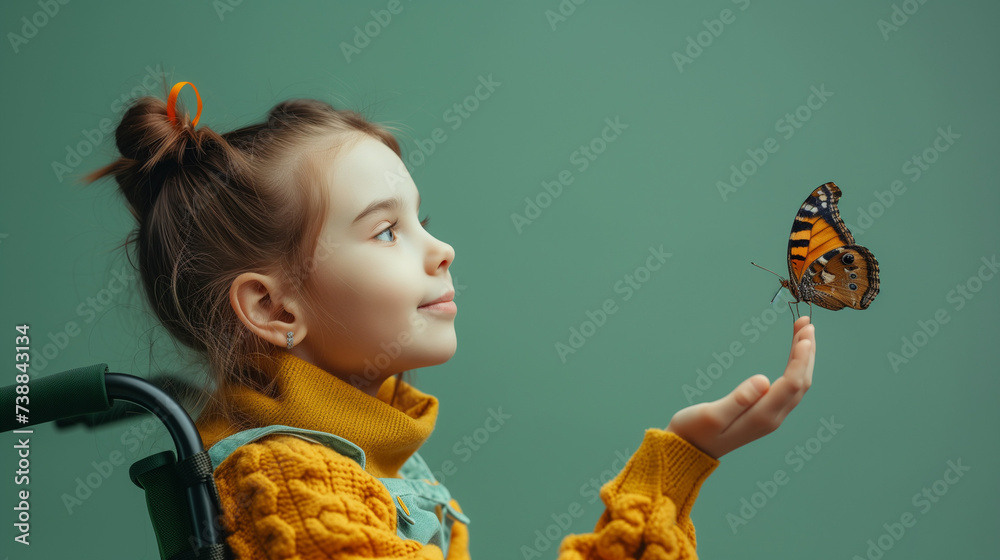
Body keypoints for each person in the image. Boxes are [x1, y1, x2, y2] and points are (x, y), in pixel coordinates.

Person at [84, 81, 816, 559]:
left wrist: (678, 458)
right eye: (385, 231)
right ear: (275, 308)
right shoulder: (285, 477)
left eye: (420, 219)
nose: (442, 250)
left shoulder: (358, 459)